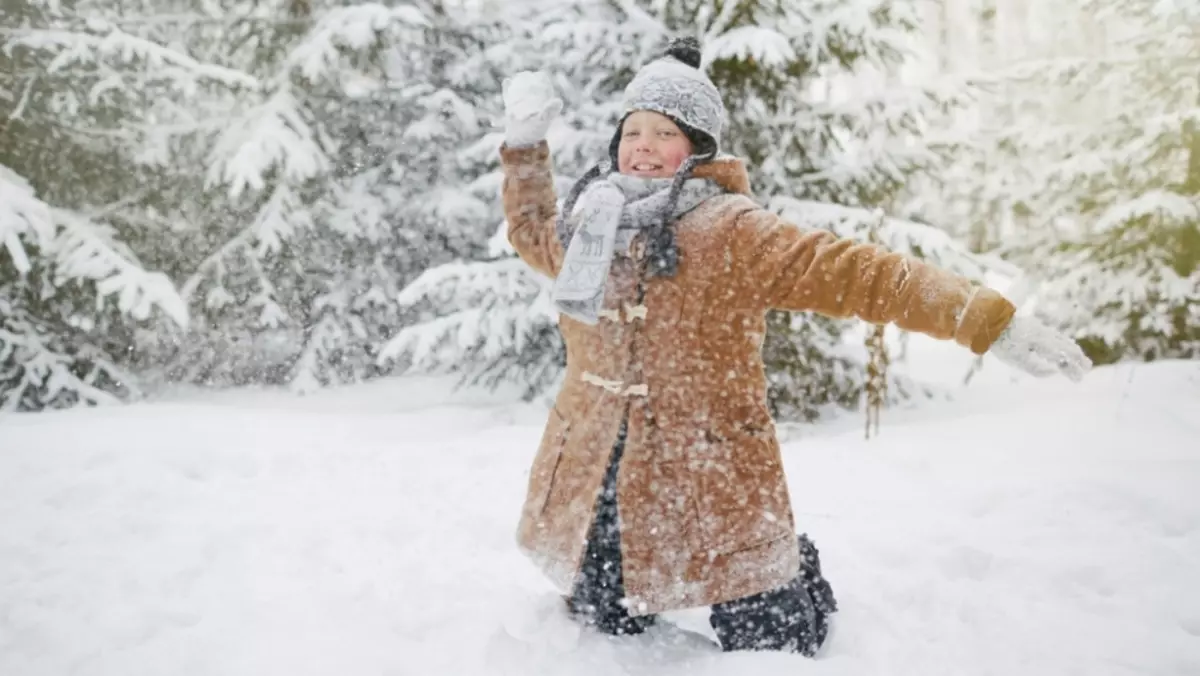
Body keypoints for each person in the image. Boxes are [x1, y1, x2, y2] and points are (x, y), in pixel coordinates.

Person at [496, 37, 1091, 656]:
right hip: (601, 466)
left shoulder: (731, 230)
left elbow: (859, 273)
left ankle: (797, 578)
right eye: (633, 132)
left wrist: (984, 320)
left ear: (697, 149)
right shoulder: (590, 223)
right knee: (603, 624)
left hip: (713, 467)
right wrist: (523, 145)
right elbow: (530, 229)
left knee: (774, 642)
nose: (643, 146)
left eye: (664, 133)